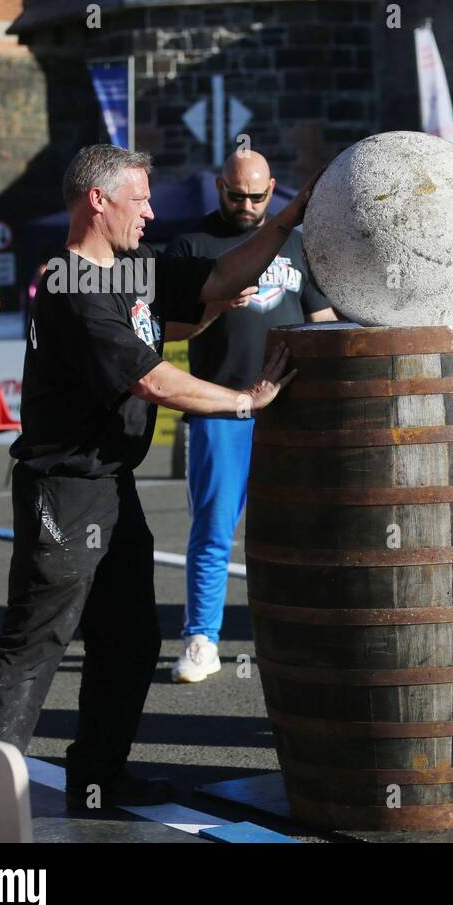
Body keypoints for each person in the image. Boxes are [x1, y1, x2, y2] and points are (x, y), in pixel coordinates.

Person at [0, 143, 320, 812]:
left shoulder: (131, 269)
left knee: (130, 640)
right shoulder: (71, 284)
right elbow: (152, 379)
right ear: (98, 200)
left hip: (109, 487)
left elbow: (216, 280)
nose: (151, 212)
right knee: (31, 648)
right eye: (140, 199)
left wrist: (285, 222)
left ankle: (97, 779)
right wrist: (245, 399)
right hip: (63, 492)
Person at [164, 149, 338, 683]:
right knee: (214, 528)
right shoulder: (192, 244)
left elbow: (323, 320)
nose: (246, 204)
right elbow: (166, 330)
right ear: (220, 187)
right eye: (236, 195)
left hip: (290, 411)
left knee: (307, 532)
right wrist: (215, 306)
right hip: (221, 406)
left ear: (273, 189)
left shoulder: (298, 242)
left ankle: (305, 634)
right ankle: (202, 638)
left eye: (257, 196)